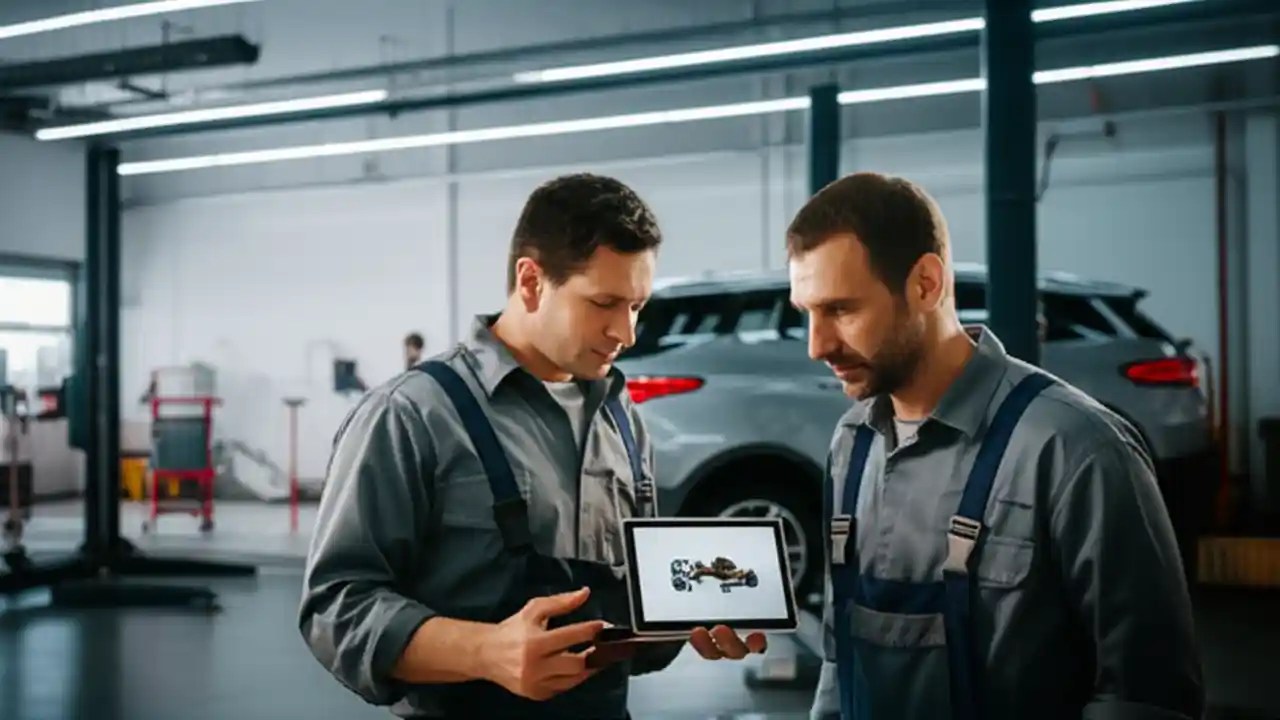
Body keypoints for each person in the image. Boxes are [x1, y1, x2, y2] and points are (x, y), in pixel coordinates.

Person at [299, 173, 765, 720]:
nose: (628, 332)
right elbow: (335, 606)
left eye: (637, 306)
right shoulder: (411, 416)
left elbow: (627, 617)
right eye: (605, 303)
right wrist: (485, 652)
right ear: (531, 282)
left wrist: (689, 619)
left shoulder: (622, 419)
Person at [787, 172, 1203, 720]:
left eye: (841, 309)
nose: (817, 346)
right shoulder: (851, 446)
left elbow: (1145, 696)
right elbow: (842, 666)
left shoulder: (1076, 450)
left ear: (926, 284)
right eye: (807, 314)